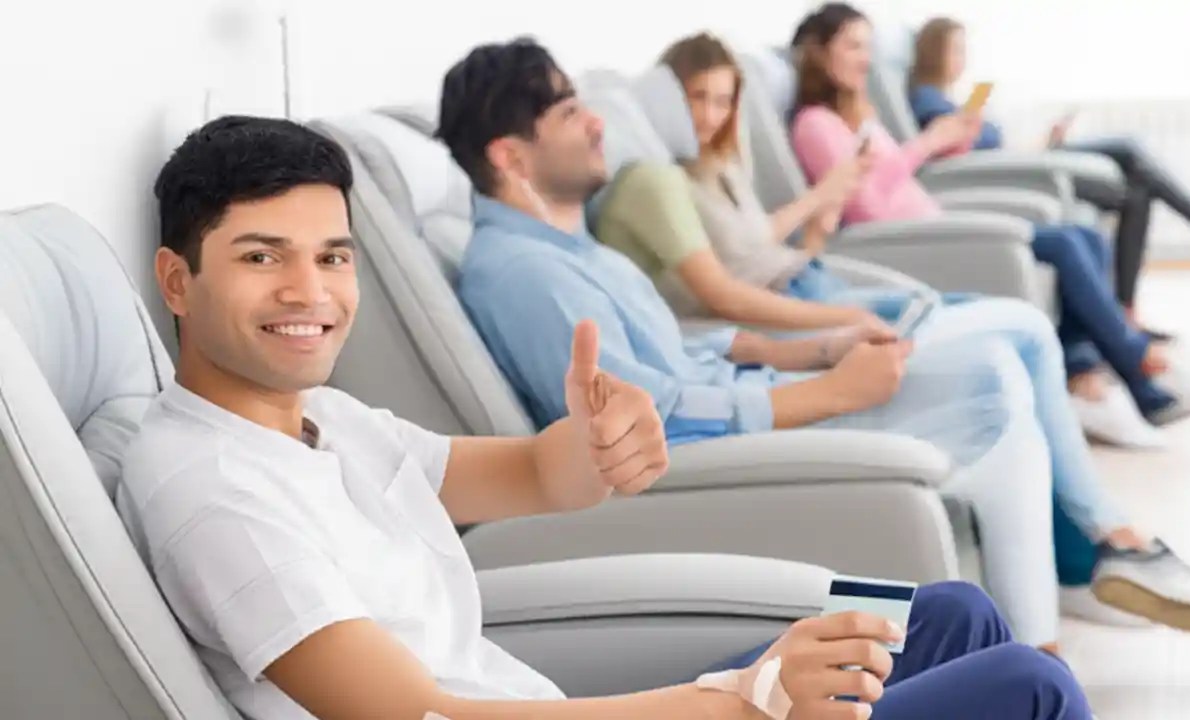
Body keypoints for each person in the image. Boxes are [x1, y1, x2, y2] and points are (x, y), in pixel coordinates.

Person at [115, 114, 1093, 720]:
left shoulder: (323, 418)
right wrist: (741, 705)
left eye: (331, 255)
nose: (309, 289)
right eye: (260, 256)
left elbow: (532, 477)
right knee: (1030, 692)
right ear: (177, 280)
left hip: (550, 706)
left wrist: (592, 448)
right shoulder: (214, 496)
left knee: (943, 614)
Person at [438, 37, 1190, 652]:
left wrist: (809, 353)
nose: (596, 121)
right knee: (992, 375)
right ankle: (1062, 611)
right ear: (511, 156)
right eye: (567, 110)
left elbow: (685, 349)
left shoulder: (575, 249)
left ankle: (1065, 601)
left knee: (999, 365)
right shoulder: (520, 275)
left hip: (755, 398)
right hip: (698, 466)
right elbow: (652, 423)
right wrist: (832, 395)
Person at [788, 3, 1190, 434]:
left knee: (1086, 237)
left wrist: (944, 143)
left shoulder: (859, 118)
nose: (865, 59)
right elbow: (865, 208)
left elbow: (897, 179)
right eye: (853, 46)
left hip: (937, 223)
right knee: (1065, 243)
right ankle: (1139, 370)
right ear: (819, 52)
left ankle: (1089, 373)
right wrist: (926, 143)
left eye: (868, 47)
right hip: (910, 241)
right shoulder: (815, 125)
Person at [907, 16, 1190, 313]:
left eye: (963, 50)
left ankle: (1131, 306)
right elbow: (958, 148)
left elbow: (985, 142)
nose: (962, 59)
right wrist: (973, 129)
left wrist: (1043, 141)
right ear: (931, 54)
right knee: (1129, 155)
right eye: (954, 50)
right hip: (1011, 172)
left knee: (1138, 185)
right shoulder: (929, 100)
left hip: (1022, 159)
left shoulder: (954, 101)